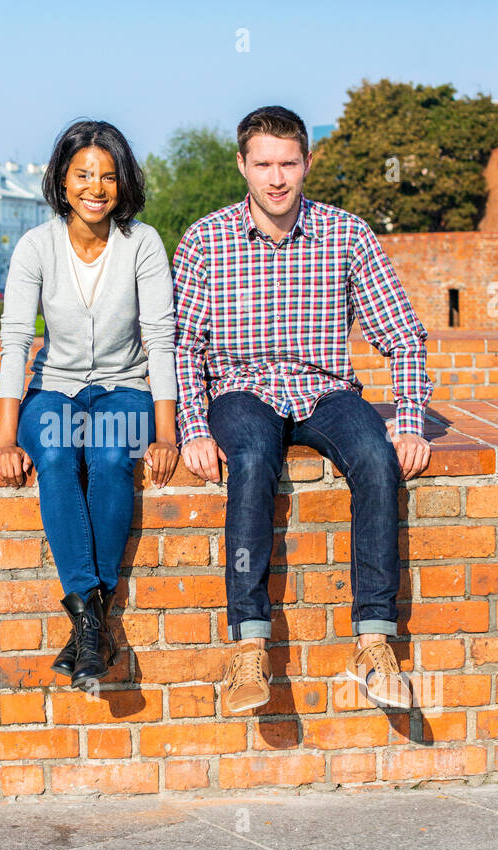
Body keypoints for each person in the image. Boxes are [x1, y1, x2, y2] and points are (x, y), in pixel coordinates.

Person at [173, 105, 434, 715]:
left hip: (325, 389)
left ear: (307, 163)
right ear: (241, 165)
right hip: (241, 389)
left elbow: (402, 332)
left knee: (375, 456)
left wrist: (412, 422)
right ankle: (249, 647)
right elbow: (184, 343)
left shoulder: (347, 235)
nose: (276, 178)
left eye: (288, 163)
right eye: (263, 164)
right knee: (254, 455)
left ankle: (374, 641)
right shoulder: (204, 240)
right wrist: (191, 426)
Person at [0, 120, 179, 691]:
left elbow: (161, 335)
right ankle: (95, 620)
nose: (95, 187)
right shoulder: (35, 246)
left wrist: (167, 432)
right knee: (52, 455)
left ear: (123, 181)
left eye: (107, 175)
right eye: (82, 175)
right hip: (54, 387)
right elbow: (17, 340)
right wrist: (4, 442)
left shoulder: (142, 243)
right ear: (62, 180)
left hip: (125, 385)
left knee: (106, 455)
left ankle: (84, 625)